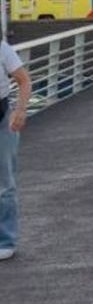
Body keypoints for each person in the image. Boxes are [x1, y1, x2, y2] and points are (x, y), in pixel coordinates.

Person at [0, 38, 32, 260]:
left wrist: (20, 111)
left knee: (4, 183)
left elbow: (24, 81)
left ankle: (5, 240)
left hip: (2, 119)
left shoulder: (2, 48)